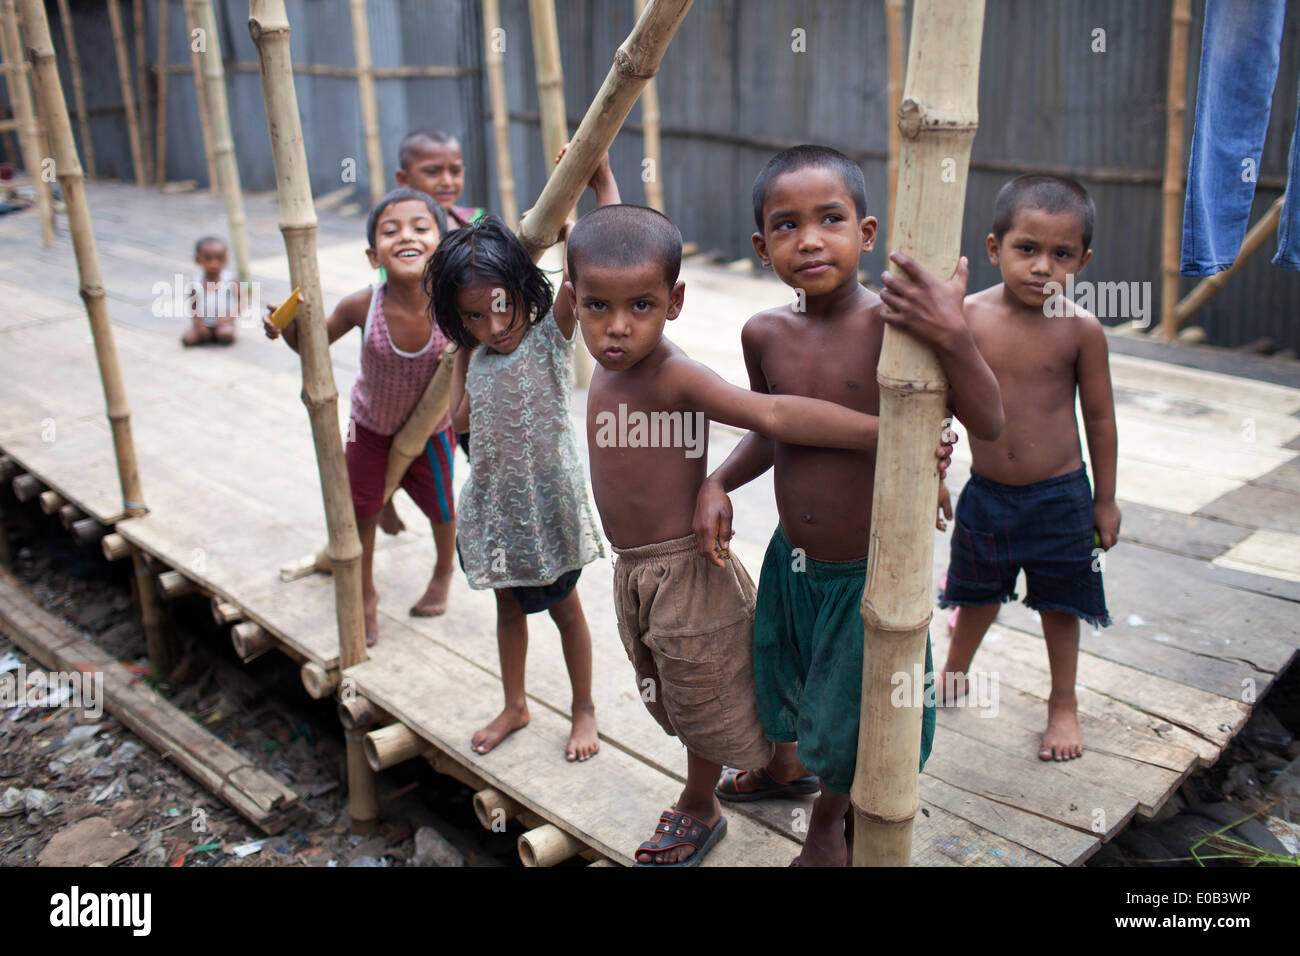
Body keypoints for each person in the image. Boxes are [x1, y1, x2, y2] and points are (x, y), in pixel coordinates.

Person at [567, 203, 943, 865]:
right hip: (636, 569)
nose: (618, 327)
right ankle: (786, 767)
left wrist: (888, 433)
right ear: (575, 300)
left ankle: (697, 803)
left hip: (685, 568)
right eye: (598, 307)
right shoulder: (615, 342)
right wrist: (599, 181)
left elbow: (770, 413)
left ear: (674, 303)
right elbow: (622, 254)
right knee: (702, 677)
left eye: (641, 307)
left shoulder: (671, 373)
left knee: (699, 694)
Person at [692, 145, 1004, 866]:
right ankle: (790, 769)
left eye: (829, 218)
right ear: (761, 246)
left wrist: (953, 333)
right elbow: (772, 434)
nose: (808, 239)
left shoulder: (898, 328)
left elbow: (987, 421)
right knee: (783, 677)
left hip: (872, 572)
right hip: (793, 565)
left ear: (866, 234)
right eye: (786, 225)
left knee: (854, 711)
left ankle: (829, 821)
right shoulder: (764, 333)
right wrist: (717, 482)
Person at [425, 156, 618, 762]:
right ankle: (516, 702)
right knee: (509, 608)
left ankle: (583, 707)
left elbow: (595, 267)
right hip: (498, 508)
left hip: (547, 504)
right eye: (474, 317)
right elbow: (458, 423)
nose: (494, 325)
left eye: (502, 306)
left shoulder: (546, 334)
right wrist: (460, 358)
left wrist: (593, 189)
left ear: (524, 293)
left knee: (565, 611)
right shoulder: (472, 357)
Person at [937, 174, 1119, 762]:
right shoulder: (966, 317)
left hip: (1061, 496)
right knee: (976, 594)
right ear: (995, 249)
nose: (1043, 267)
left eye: (1061, 254)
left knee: (1061, 602)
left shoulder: (1081, 330)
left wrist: (1106, 500)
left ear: (1082, 261)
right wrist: (934, 476)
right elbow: (937, 404)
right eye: (1027, 249)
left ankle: (1062, 702)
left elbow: (1100, 420)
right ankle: (955, 670)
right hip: (986, 492)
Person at [264, 188, 459, 643]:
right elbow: (312, 345)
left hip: (432, 430)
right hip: (368, 426)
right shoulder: (362, 304)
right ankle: (366, 593)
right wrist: (287, 326)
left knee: (443, 509)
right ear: (374, 255)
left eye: (419, 227)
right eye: (391, 231)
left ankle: (443, 573)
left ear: (442, 243)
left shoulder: (453, 303)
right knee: (361, 513)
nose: (405, 236)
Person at [396, 129, 485, 229]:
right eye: (432, 171)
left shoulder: (476, 222)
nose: (447, 182)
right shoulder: (395, 228)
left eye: (455, 171)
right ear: (404, 179)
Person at [183, 237, 241, 346]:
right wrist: (198, 323)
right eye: (208, 259)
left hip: (224, 322)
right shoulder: (196, 282)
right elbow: (192, 305)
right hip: (204, 322)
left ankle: (217, 334)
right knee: (188, 340)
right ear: (198, 259)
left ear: (226, 259)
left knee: (226, 334)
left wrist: (228, 318)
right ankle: (206, 334)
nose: (214, 264)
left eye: (219, 259)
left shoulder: (229, 279)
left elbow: (241, 301)